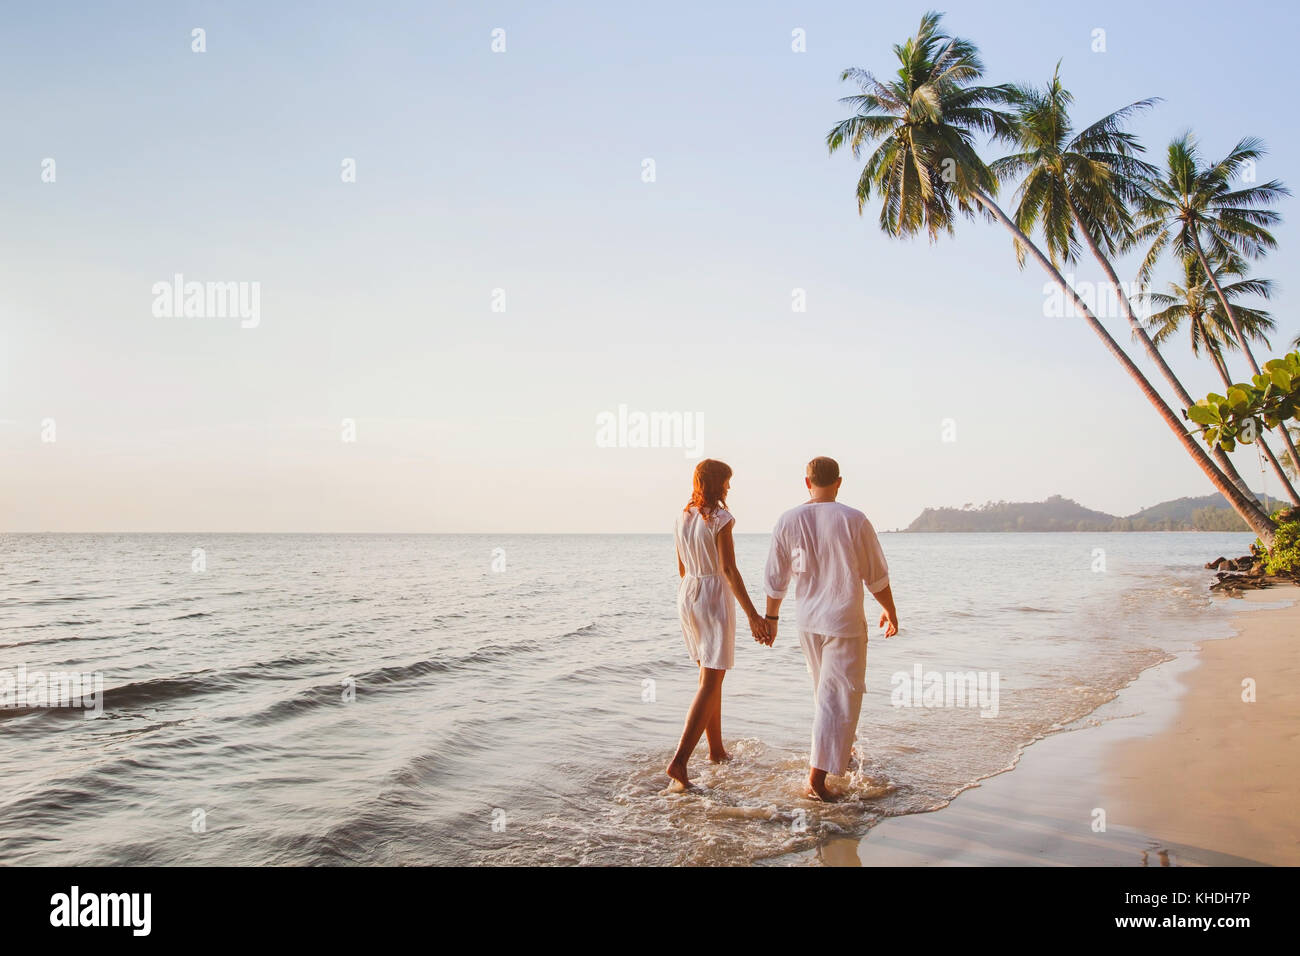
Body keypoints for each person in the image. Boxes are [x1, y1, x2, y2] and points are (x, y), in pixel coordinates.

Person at [762, 456, 899, 801]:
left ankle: (842, 757)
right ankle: (816, 781)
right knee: (838, 698)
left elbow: (775, 578)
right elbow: (875, 574)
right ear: (839, 482)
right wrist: (890, 611)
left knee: (825, 693)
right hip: (843, 621)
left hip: (808, 622)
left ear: (807, 482)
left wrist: (771, 619)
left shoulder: (788, 520)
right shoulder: (854, 519)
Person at [666, 459, 769, 791]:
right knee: (711, 680)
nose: (729, 487)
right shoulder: (721, 519)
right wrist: (754, 615)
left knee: (708, 676)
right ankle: (680, 762)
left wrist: (694, 596)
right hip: (712, 594)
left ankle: (716, 750)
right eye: (727, 481)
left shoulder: (682, 517)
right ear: (716, 484)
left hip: (687, 594)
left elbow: (682, 568)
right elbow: (729, 570)